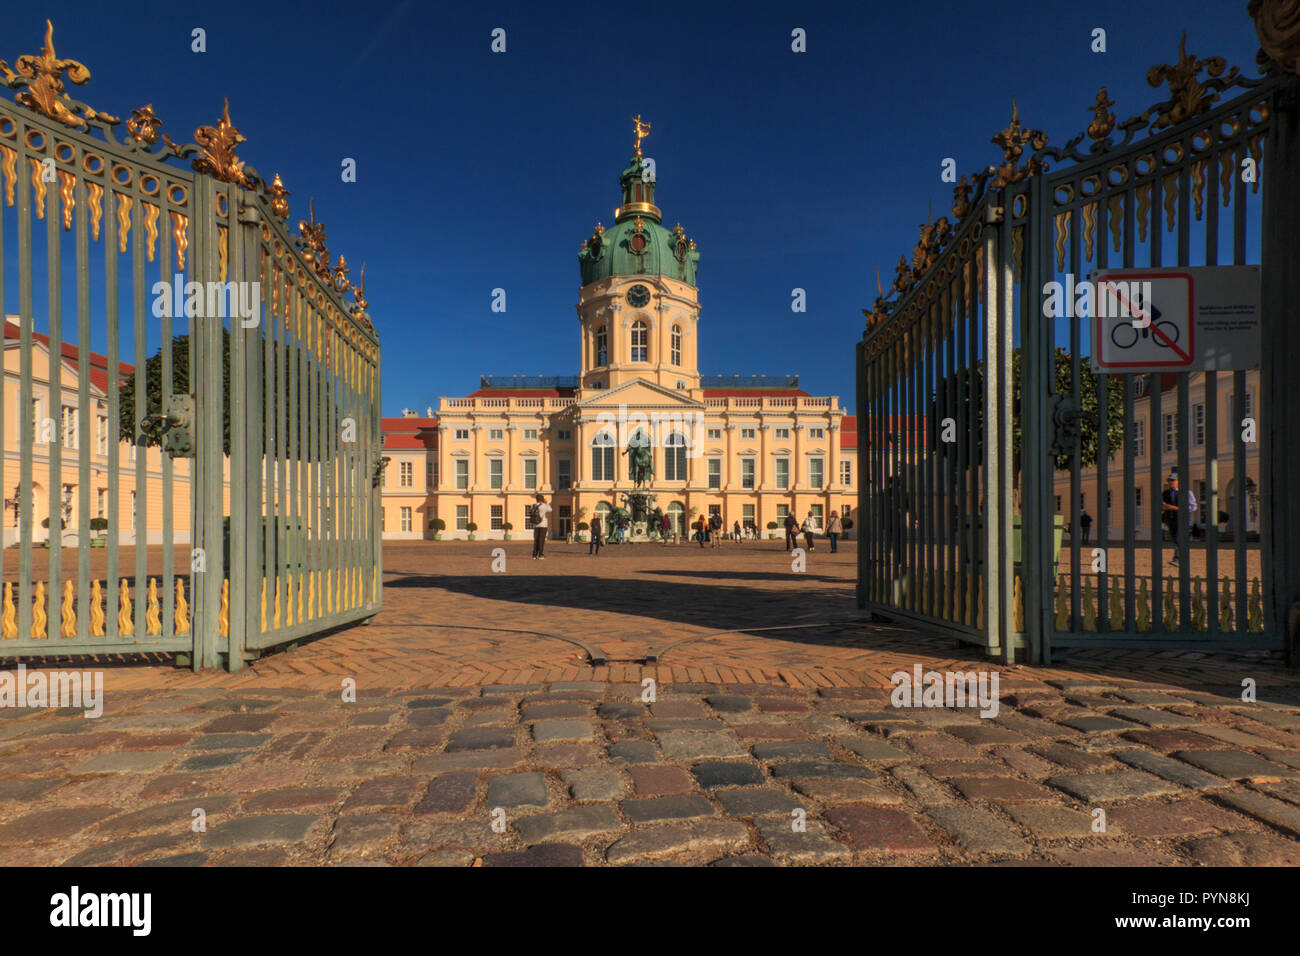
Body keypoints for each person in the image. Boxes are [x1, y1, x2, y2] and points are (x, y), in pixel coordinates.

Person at [1161, 472, 1197, 566]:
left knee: (1178, 537)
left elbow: (1193, 507)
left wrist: (1175, 508)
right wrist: (1163, 507)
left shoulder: (1186, 492)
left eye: (1172, 480)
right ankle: (1181, 558)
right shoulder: (1165, 493)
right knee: (1175, 538)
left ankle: (1177, 559)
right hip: (1170, 518)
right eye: (1169, 480)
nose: (1170, 482)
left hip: (1182, 519)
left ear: (1178, 481)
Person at [531, 494, 551, 559]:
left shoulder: (533, 506)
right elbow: (550, 509)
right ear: (542, 499)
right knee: (541, 540)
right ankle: (540, 555)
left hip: (536, 525)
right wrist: (546, 503)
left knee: (536, 540)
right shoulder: (544, 506)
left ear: (536, 499)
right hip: (543, 525)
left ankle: (534, 555)